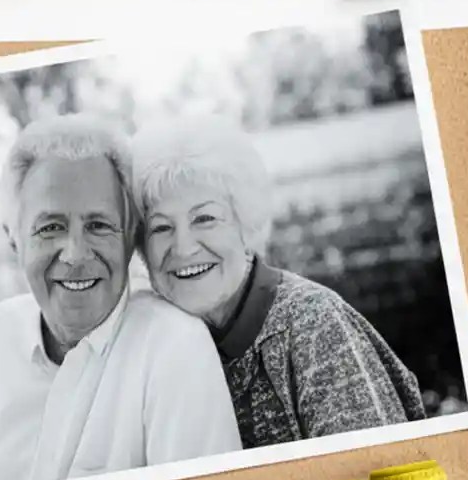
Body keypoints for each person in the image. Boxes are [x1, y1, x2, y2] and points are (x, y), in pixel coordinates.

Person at [0, 114, 241, 480]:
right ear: (13, 238)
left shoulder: (175, 348)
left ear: (129, 239)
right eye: (50, 227)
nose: (75, 254)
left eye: (98, 226)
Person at [129, 115, 426, 450]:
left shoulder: (314, 325)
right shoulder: (153, 343)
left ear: (245, 223)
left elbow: (377, 466)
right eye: (161, 227)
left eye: (205, 219)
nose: (183, 247)